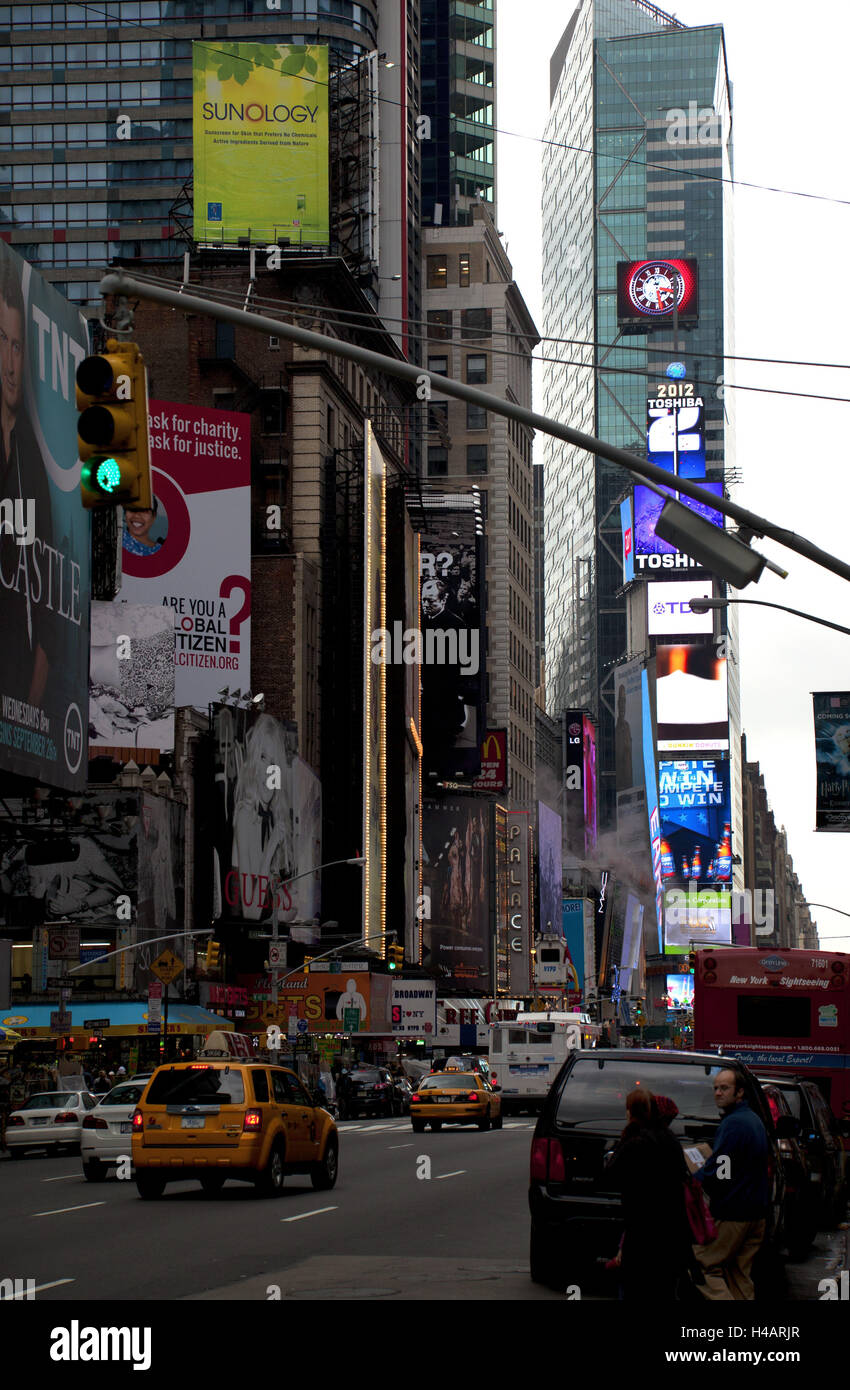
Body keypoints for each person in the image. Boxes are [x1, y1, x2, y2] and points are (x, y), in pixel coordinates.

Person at [0, 251, 54, 706]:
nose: (11, 363)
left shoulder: (32, 462)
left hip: (20, 720)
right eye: (3, 341)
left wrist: (28, 711)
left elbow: (52, 613)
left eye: (18, 345)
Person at [604, 1088, 692, 1301]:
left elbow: (611, 1175)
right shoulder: (669, 1138)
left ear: (631, 1112)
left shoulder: (635, 1142)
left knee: (635, 1287)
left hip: (642, 1232)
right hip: (672, 1231)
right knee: (664, 1289)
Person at [691, 1067, 769, 1301]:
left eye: (724, 1088)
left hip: (733, 1212)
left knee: (703, 1265)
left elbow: (721, 1171)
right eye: (715, 1088)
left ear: (740, 1092)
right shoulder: (754, 1120)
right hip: (756, 1212)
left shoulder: (733, 1124)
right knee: (738, 1274)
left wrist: (695, 1178)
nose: (718, 1093)